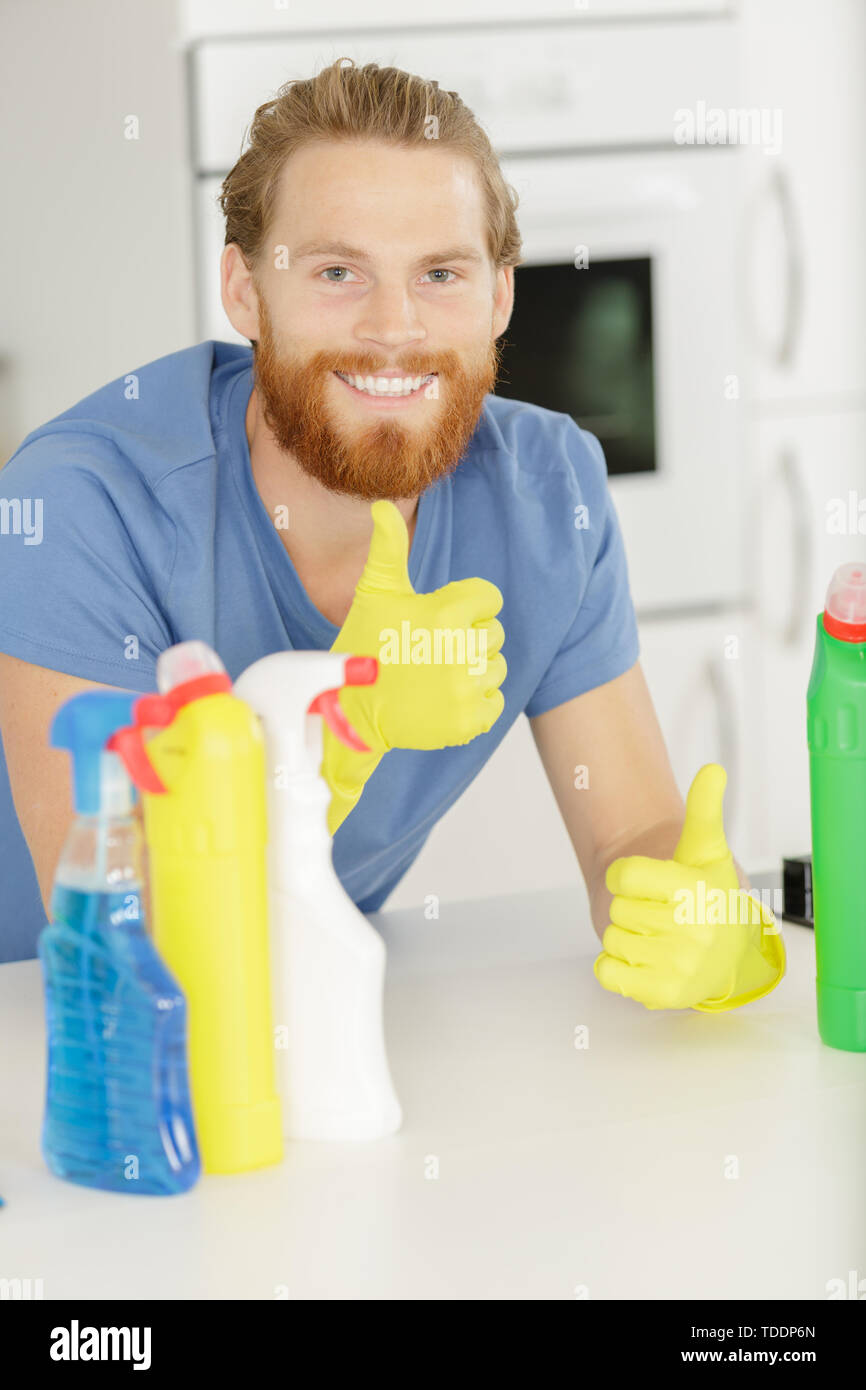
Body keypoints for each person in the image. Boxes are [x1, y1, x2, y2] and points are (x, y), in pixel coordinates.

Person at [0, 58, 780, 1011]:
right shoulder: (82, 506)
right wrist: (346, 724)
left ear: (499, 299)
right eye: (337, 272)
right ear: (245, 292)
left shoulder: (549, 492)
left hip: (306, 1012)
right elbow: (140, 938)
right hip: (51, 1028)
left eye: (441, 274)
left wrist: (704, 913)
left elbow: (635, 836)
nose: (394, 328)